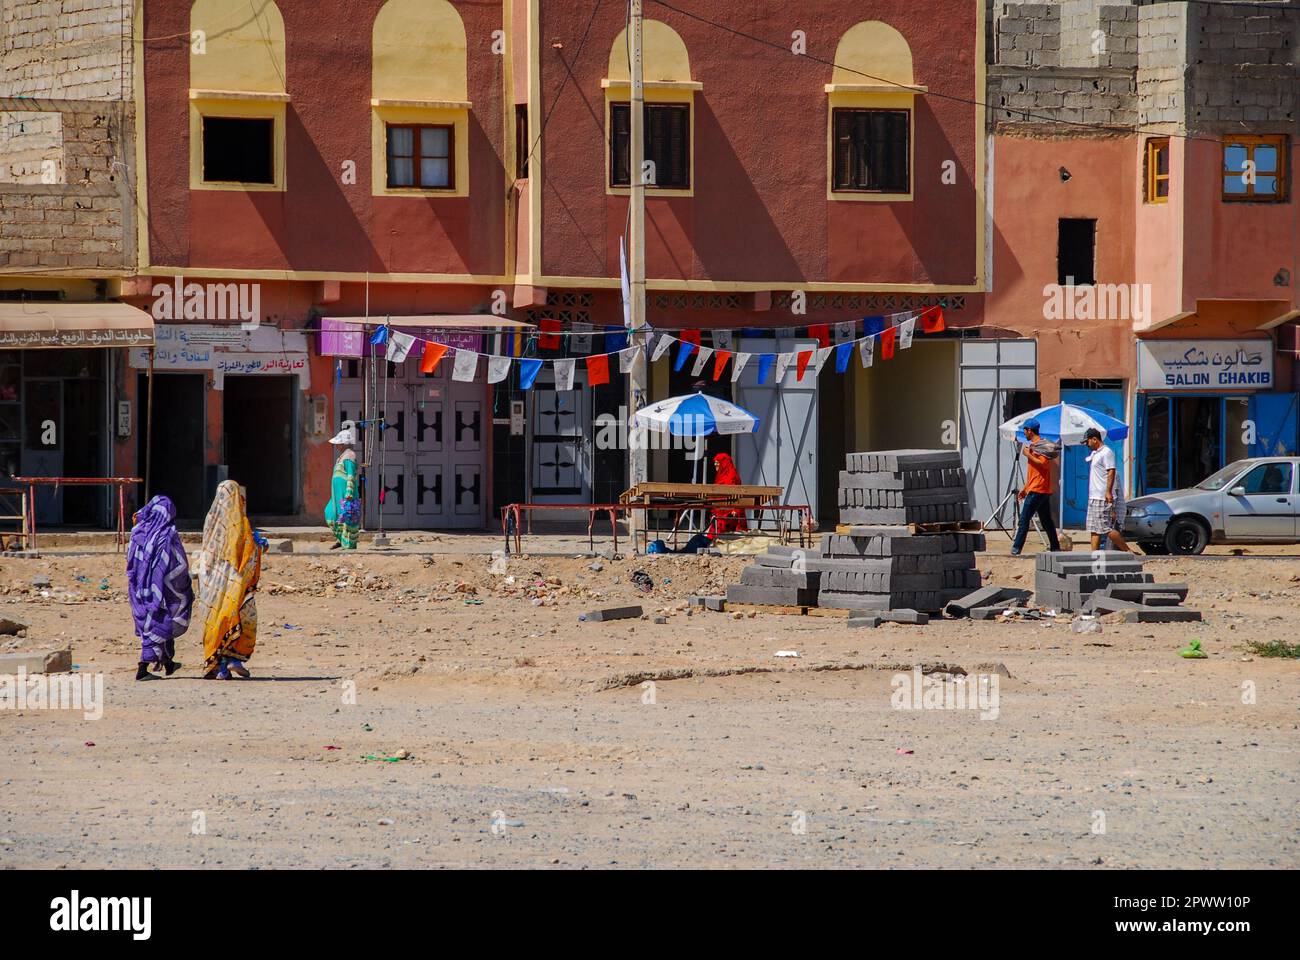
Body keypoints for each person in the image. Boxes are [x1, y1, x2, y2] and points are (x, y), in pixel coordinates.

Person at [195, 480, 262, 680]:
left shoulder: (211, 520)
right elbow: (248, 554)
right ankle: (233, 660)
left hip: (211, 586)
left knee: (217, 621)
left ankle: (219, 666)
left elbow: (206, 550)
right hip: (235, 585)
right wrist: (260, 548)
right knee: (238, 618)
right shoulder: (241, 524)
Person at [125, 495, 193, 681]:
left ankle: (168, 662)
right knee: (158, 621)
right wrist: (183, 585)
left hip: (139, 589)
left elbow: (130, 562)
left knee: (157, 622)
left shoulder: (137, 531)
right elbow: (177, 564)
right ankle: (143, 668)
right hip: (160, 588)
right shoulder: (167, 534)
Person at [1011, 418, 1062, 556]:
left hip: (1038, 489)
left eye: (1025, 430)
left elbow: (1044, 465)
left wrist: (1028, 455)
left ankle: (1016, 549)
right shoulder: (1034, 446)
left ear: (1029, 430)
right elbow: (1033, 472)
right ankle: (1055, 546)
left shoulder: (1040, 446)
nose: (1024, 433)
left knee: (1024, 520)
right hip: (1038, 489)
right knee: (1046, 521)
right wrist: (1025, 488)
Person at [1083, 427, 1137, 554]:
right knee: (1094, 529)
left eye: (1087, 441)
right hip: (1093, 497)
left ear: (1095, 439)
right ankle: (1094, 556)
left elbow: (1111, 471)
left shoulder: (1107, 452)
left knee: (1105, 528)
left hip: (1102, 497)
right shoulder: (1096, 453)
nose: (1086, 444)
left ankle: (1128, 551)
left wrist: (1108, 492)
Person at [325, 420, 361, 549]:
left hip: (345, 494)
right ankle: (340, 538)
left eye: (339, 443)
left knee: (346, 517)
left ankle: (348, 544)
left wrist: (349, 492)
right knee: (330, 513)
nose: (337, 445)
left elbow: (351, 475)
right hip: (337, 495)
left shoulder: (349, 456)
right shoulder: (342, 456)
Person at [708, 451, 749, 535]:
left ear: (723, 463)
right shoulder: (720, 475)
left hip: (730, 513)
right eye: (715, 462)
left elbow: (736, 494)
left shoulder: (732, 475)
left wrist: (735, 509)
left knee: (730, 538)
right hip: (720, 510)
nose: (715, 464)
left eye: (717, 462)